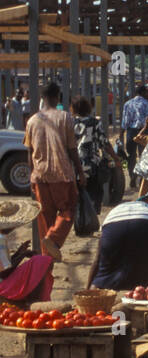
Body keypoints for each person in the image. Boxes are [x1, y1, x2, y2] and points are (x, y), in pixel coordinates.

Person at [23, 83, 85, 263]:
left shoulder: (32, 120)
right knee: (68, 210)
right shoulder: (65, 117)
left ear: (43, 98)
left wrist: (31, 176)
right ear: (58, 97)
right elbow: (72, 149)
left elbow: (29, 152)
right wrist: (80, 172)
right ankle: (53, 239)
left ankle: (47, 257)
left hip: (40, 175)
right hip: (62, 173)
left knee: (45, 217)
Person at [88, 198, 148, 290]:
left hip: (114, 225)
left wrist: (87, 289)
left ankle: (87, 298)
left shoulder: (116, 209)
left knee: (104, 274)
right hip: (146, 224)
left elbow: (98, 259)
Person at [0, 200, 54, 304]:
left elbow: (4, 265)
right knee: (42, 261)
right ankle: (36, 299)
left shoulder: (2, 239)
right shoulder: (1, 241)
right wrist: (22, 255)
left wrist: (19, 253)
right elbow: (4, 273)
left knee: (39, 262)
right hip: (3, 286)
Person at [72, 97, 120, 215]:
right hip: (92, 165)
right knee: (94, 194)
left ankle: (80, 221)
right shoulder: (95, 123)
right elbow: (105, 143)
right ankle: (91, 220)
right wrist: (116, 158)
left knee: (78, 196)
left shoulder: (70, 123)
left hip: (74, 166)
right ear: (89, 108)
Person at [121, 84, 148, 186]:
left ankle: (132, 176)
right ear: (143, 93)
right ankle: (141, 178)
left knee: (131, 155)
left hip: (131, 132)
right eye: (147, 92)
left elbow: (125, 122)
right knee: (144, 156)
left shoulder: (127, 104)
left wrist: (121, 134)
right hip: (145, 132)